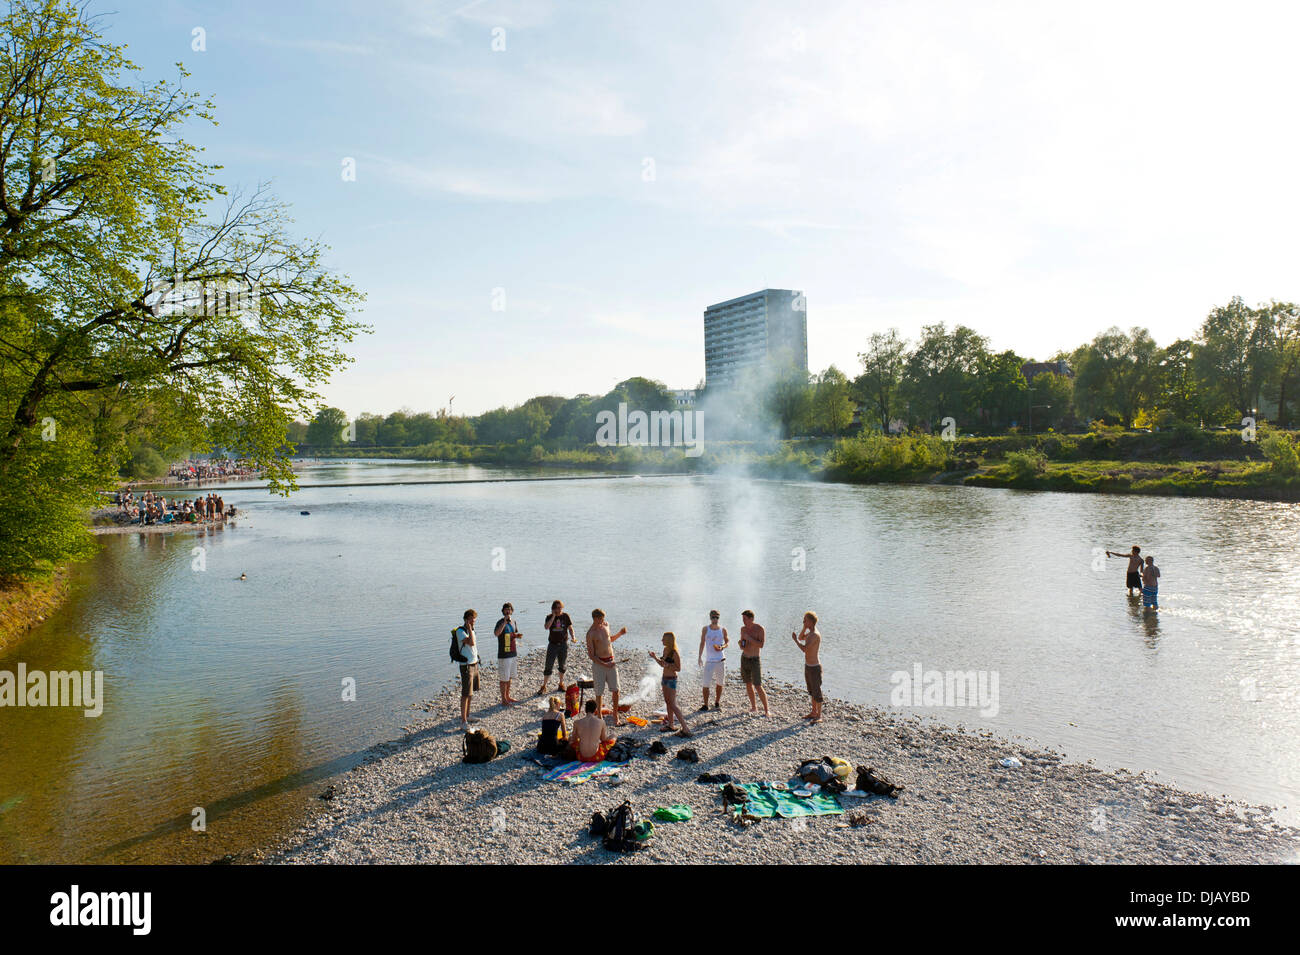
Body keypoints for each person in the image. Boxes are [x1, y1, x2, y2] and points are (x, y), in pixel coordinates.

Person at [586, 608, 627, 726]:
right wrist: (604, 664)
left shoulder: (606, 625)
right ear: (594, 618)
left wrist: (620, 633)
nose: (602, 620)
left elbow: (609, 640)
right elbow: (591, 655)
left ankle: (615, 715)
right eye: (600, 619)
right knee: (599, 692)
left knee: (616, 690)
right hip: (600, 664)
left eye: (603, 618)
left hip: (611, 661)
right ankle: (599, 716)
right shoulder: (590, 633)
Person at [649, 632, 692, 736]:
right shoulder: (665, 650)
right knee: (668, 702)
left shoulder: (674, 653)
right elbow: (662, 664)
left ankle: (685, 728)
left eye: (663, 639)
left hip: (672, 679)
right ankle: (671, 724)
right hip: (664, 678)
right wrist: (655, 658)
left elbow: (678, 668)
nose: (661, 640)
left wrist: (668, 666)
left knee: (672, 704)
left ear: (668, 640)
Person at [792, 611, 823, 723]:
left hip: (815, 667)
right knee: (811, 690)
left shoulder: (815, 635)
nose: (803, 621)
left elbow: (805, 649)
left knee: (817, 691)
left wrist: (795, 641)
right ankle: (813, 711)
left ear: (811, 621)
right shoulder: (810, 633)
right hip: (808, 665)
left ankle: (819, 715)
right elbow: (801, 637)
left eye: (805, 620)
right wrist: (804, 627)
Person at [539, 599, 575, 695]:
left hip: (563, 644)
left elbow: (570, 628)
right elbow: (546, 627)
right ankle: (544, 686)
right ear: (553, 609)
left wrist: (573, 637)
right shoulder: (549, 617)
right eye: (556, 608)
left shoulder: (566, 616)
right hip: (552, 645)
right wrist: (553, 616)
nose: (559, 610)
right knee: (548, 665)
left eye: (560, 608)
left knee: (562, 665)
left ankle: (561, 683)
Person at [738, 610, 770, 717]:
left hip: (755, 659)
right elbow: (743, 644)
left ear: (751, 619)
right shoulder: (743, 629)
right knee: (748, 683)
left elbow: (761, 645)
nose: (743, 621)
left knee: (758, 685)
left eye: (745, 619)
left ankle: (766, 710)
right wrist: (741, 644)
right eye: (743, 619)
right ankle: (754, 706)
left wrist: (749, 639)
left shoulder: (760, 629)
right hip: (745, 658)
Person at [697, 609, 728, 712]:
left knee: (720, 682)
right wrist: (699, 656)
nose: (715, 619)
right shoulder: (705, 629)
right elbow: (702, 642)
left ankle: (717, 702)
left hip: (720, 660)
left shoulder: (723, 629)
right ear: (710, 618)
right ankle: (705, 704)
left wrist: (722, 647)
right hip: (709, 660)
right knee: (706, 683)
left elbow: (727, 642)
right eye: (713, 617)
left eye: (717, 617)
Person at [455, 609, 479, 731]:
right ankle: (463, 721)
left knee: (471, 692)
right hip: (466, 665)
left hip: (474, 663)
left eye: (474, 619)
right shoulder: (460, 631)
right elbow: (471, 642)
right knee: (465, 693)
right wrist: (469, 628)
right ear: (466, 619)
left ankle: (468, 715)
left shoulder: (472, 630)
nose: (473, 621)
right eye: (471, 619)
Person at [494, 602, 522, 706]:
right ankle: (503, 699)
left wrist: (516, 636)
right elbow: (496, 633)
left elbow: (513, 633)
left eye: (509, 609)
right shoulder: (500, 622)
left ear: (512, 611)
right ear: (503, 611)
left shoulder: (514, 622)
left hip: (513, 653)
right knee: (503, 678)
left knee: (509, 676)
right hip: (503, 654)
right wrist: (504, 623)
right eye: (506, 609)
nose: (507, 611)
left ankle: (508, 696)